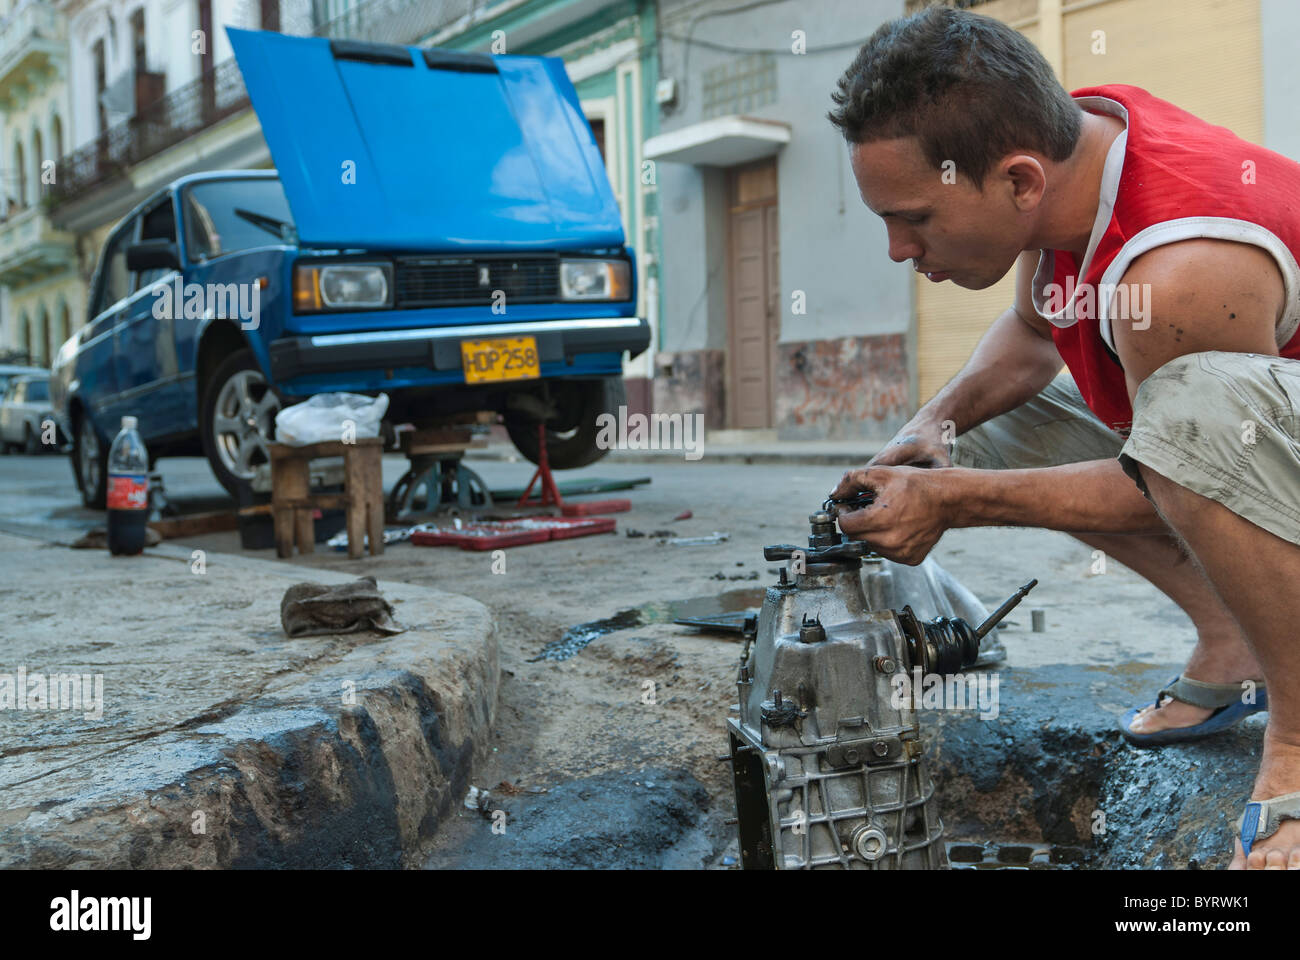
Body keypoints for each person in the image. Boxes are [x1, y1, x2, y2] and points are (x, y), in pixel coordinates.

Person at [825, 5, 1300, 870]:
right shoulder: (1074, 144)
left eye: (916, 218)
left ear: (1018, 182)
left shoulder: (1180, 271)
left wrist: (957, 501)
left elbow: (1179, 467)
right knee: (983, 430)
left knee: (1186, 415)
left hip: (1239, 440)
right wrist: (934, 427)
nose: (899, 248)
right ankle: (1232, 640)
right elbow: (1038, 336)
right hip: (1252, 441)